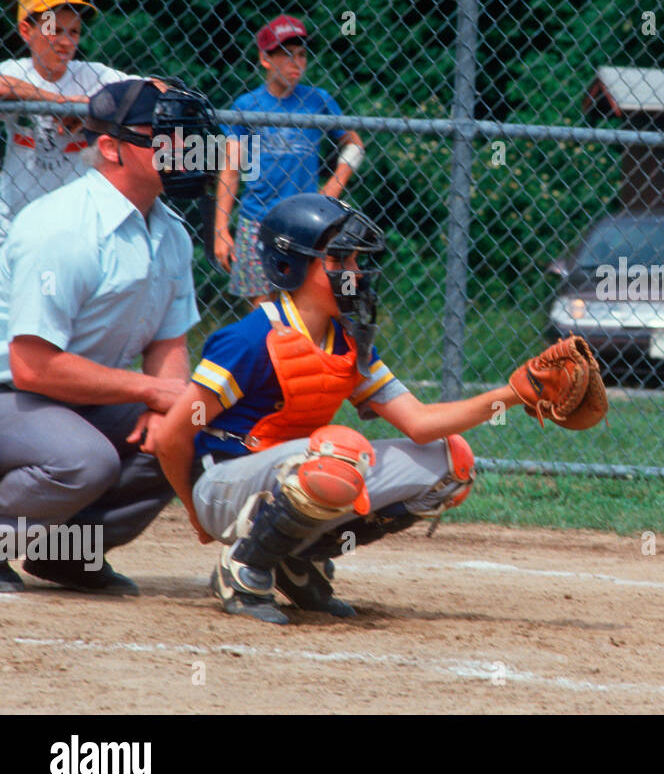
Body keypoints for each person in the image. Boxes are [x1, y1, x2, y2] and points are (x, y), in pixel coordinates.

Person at [152, 193, 606, 625]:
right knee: (339, 452)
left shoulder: (348, 343)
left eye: (354, 261)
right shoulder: (250, 340)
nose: (354, 272)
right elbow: (171, 436)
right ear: (291, 265)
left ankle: (292, 559)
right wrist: (196, 511)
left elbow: (422, 424)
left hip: (288, 475)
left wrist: (517, 391)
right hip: (222, 486)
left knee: (450, 462)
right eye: (338, 260)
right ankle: (243, 569)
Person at [0, 77, 217, 595]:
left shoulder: (171, 233)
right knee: (84, 460)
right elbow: (32, 367)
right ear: (110, 147)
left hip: (81, 400)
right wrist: (145, 391)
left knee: (189, 428)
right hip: (14, 394)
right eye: (163, 135)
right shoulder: (62, 227)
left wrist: (167, 406)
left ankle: (68, 557)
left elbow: (167, 347)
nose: (183, 148)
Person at [213, 15, 365, 303]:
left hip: (307, 224)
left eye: (302, 55)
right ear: (265, 59)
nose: (297, 62)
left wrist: (335, 185)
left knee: (306, 308)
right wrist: (221, 229)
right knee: (264, 317)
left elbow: (355, 143)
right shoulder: (247, 106)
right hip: (259, 220)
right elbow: (231, 169)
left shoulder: (317, 100)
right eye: (286, 54)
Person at [0, 0, 132, 241]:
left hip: (77, 226)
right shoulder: (15, 71)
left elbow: (156, 92)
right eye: (54, 30)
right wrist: (56, 101)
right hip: (14, 221)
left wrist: (94, 109)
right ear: (26, 31)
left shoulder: (91, 76)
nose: (66, 42)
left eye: (73, 32)